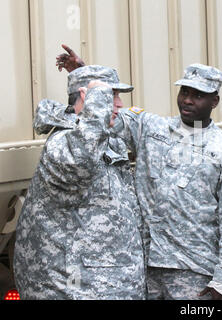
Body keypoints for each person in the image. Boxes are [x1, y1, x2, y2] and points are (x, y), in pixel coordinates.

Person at [56, 46, 222, 300]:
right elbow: (105, 114)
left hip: (194, 274)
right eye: (184, 92)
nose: (188, 100)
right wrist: (84, 74)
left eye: (198, 95)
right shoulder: (151, 128)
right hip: (143, 267)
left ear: (214, 101)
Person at [14, 65, 146, 300]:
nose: (119, 104)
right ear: (89, 97)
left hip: (110, 284)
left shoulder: (104, 137)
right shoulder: (63, 143)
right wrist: (96, 98)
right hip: (77, 288)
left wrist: (85, 73)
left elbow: (129, 125)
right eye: (112, 96)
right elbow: (81, 158)